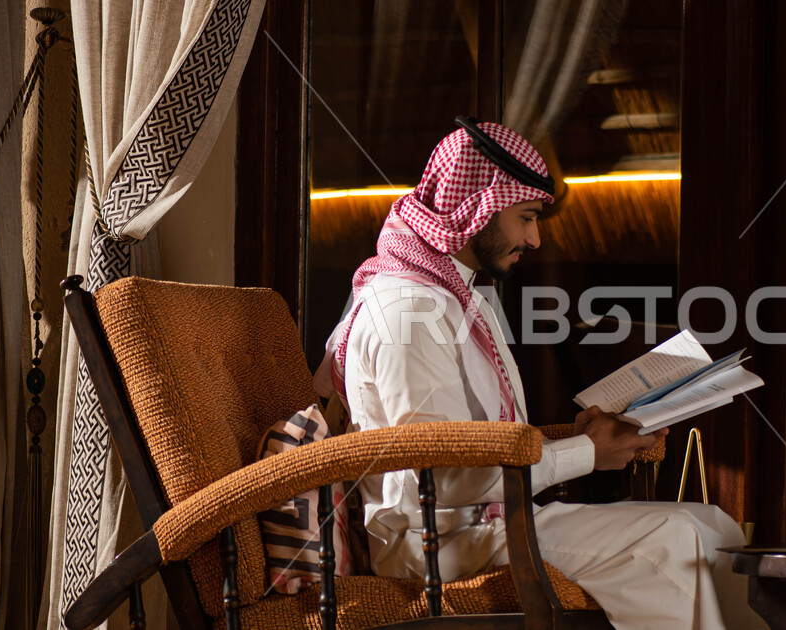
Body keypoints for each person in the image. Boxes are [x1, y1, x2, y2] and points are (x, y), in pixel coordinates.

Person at [315, 119, 762, 629]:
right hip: (432, 545)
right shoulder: (407, 310)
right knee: (671, 540)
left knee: (712, 526)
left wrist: (578, 440)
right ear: (477, 208)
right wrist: (586, 453)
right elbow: (441, 476)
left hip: (487, 523)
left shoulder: (455, 298)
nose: (535, 238)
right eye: (526, 217)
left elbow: (480, 447)